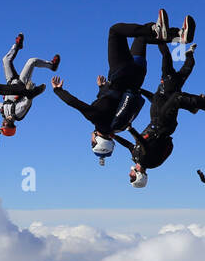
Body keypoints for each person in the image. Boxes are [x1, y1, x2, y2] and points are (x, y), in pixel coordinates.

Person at [52, 13, 189, 165]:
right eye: (92, 143)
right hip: (121, 73)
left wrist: (102, 88)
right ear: (97, 141)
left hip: (138, 76)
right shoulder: (96, 119)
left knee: (141, 37)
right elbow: (73, 102)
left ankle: (178, 36)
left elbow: (111, 101)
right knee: (116, 31)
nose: (90, 140)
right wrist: (58, 90)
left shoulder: (120, 126)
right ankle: (156, 30)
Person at [116, 42, 205, 187]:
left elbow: (128, 145)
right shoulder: (148, 161)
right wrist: (130, 129)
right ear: (139, 176)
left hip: (155, 118)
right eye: (132, 177)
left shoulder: (136, 158)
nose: (130, 174)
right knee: (176, 97)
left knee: (161, 97)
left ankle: (193, 106)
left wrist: (113, 135)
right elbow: (144, 144)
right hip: (163, 125)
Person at [0, 34, 59, 136]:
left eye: (2, 124)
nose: (3, 123)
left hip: (10, 81)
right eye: (4, 125)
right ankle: (52, 66)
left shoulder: (4, 112)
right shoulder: (17, 113)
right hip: (21, 83)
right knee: (31, 61)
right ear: (10, 125)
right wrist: (30, 90)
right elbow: (27, 102)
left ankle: (17, 46)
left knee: (5, 60)